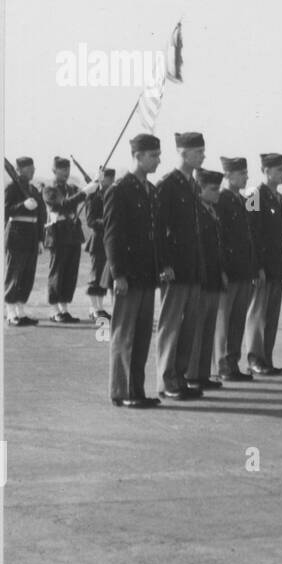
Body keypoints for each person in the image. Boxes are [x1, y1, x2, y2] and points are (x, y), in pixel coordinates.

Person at [103, 134, 163, 407]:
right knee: (124, 335)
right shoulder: (120, 189)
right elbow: (112, 236)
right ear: (137, 156)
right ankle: (122, 391)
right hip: (127, 275)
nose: (158, 160)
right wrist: (118, 275)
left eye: (158, 155)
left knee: (140, 337)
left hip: (146, 274)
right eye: (153, 155)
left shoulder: (148, 190)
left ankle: (135, 390)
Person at [155, 131, 208, 400]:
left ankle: (181, 376)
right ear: (184, 153)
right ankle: (167, 380)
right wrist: (164, 264)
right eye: (198, 152)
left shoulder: (192, 185)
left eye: (202, 151)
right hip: (175, 268)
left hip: (192, 267)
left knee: (189, 327)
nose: (202, 156)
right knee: (171, 326)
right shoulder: (168, 185)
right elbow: (159, 229)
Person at [214, 157, 258, 381]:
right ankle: (222, 365)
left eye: (246, 173)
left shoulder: (242, 200)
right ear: (228, 176)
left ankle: (233, 364)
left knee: (237, 321)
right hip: (229, 271)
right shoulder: (221, 200)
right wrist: (221, 268)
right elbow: (219, 239)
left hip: (243, 271)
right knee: (224, 321)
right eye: (241, 173)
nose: (246, 177)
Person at [245, 152, 282, 375]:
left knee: (271, 316)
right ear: (265, 171)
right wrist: (256, 267)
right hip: (262, 266)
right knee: (257, 314)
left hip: (276, 265)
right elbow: (251, 232)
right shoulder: (254, 194)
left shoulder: (278, 197)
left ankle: (266, 357)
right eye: (279, 169)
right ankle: (254, 357)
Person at [187, 169, 226, 390]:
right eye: (213, 189)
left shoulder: (211, 210)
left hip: (214, 276)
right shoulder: (197, 212)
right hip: (202, 276)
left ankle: (203, 373)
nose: (217, 192)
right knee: (198, 328)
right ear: (200, 190)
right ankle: (192, 373)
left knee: (208, 327)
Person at [42, 156, 93, 322]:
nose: (65, 173)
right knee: (58, 272)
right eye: (62, 169)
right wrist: (85, 192)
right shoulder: (49, 189)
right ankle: (55, 310)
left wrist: (94, 185)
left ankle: (64, 309)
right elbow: (62, 205)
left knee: (70, 273)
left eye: (67, 169)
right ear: (54, 170)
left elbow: (88, 195)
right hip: (58, 234)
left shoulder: (71, 187)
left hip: (72, 235)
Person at [3, 156, 46, 325]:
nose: (32, 171)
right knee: (15, 274)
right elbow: (5, 211)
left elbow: (41, 216)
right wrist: (22, 206)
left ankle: (20, 311)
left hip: (31, 235)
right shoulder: (12, 188)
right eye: (29, 169)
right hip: (16, 234)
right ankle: (11, 312)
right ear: (19, 170)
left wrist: (40, 239)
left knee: (27, 275)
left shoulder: (33, 190)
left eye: (33, 169)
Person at [83, 167, 116, 323]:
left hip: (110, 240)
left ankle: (100, 307)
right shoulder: (94, 198)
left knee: (104, 276)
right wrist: (107, 223)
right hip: (98, 240)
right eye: (108, 179)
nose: (111, 182)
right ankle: (94, 308)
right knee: (96, 275)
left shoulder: (113, 195)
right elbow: (90, 221)